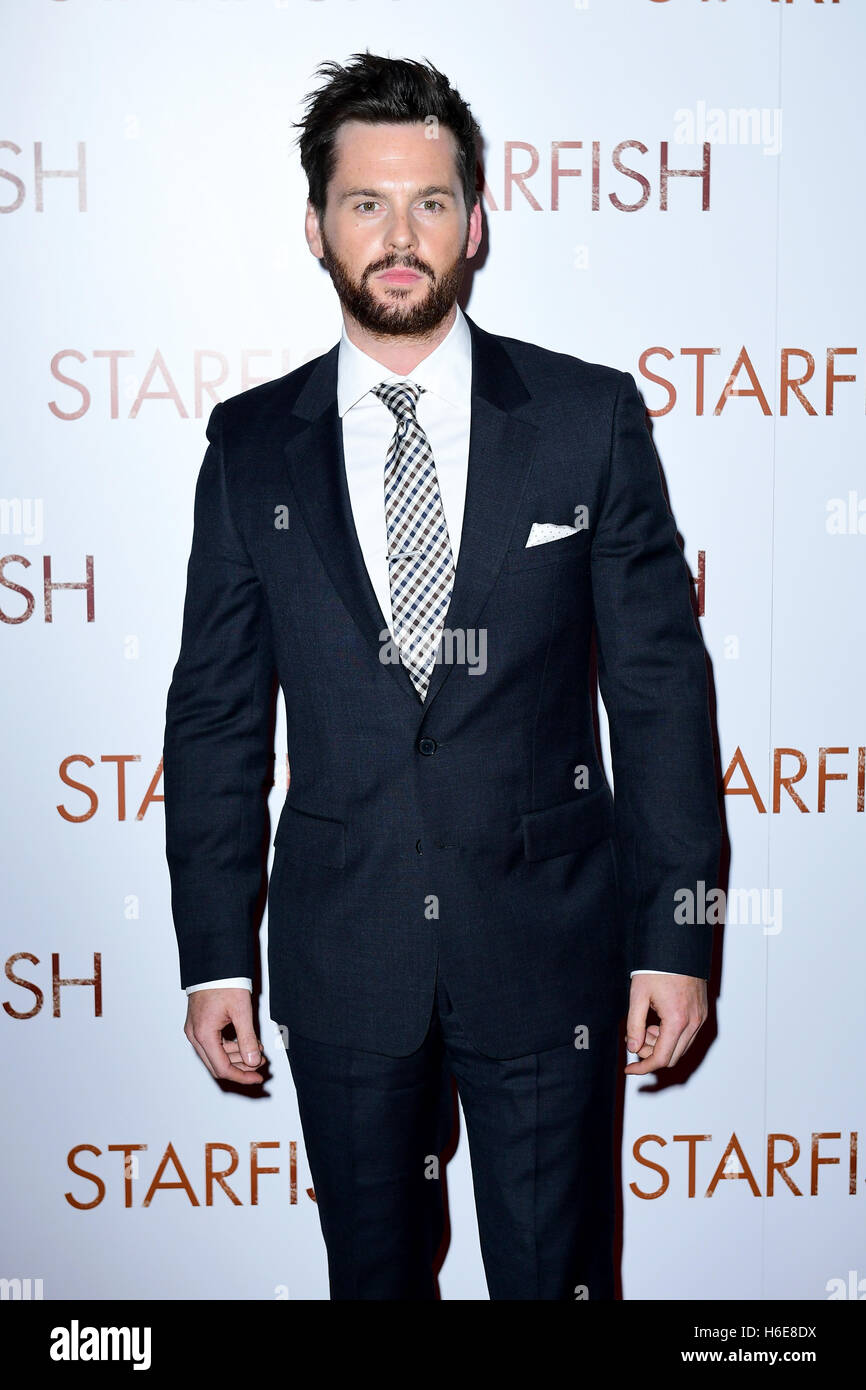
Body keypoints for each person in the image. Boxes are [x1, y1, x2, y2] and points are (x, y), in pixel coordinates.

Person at [163, 52, 721, 1301]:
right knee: (372, 1282)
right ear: (315, 226)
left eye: (427, 202)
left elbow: (657, 693)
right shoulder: (250, 444)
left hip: (549, 952)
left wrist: (676, 939)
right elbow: (215, 716)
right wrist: (214, 957)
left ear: (475, 222)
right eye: (366, 202)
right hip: (343, 951)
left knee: (553, 1278)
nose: (398, 235)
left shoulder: (586, 418)